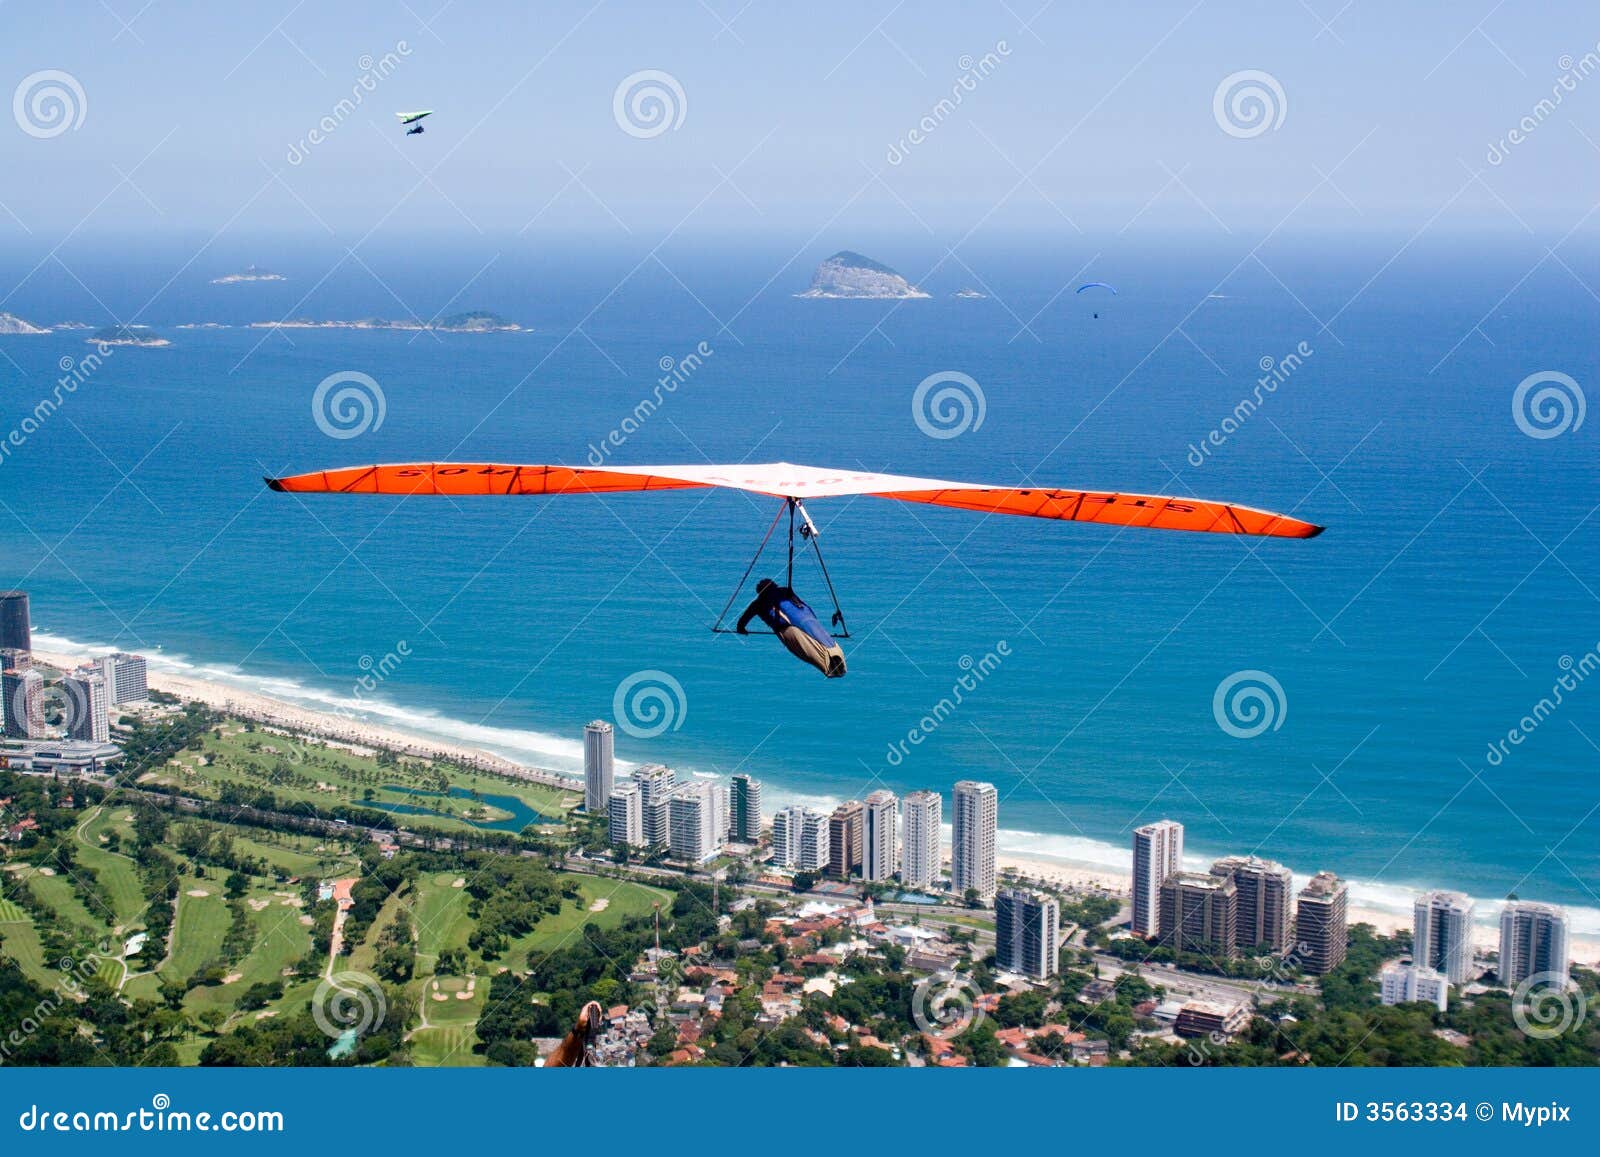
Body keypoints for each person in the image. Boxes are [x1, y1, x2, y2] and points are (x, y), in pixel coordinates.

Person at [736, 577, 846, 678]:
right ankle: (835, 652)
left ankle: (827, 663)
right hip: (809, 618)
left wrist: (741, 629)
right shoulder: (784, 591)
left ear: (760, 593)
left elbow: (742, 621)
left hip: (788, 627)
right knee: (822, 637)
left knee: (803, 647)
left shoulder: (758, 603)